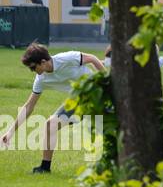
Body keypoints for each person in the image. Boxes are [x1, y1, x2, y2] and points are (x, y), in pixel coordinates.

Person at [0, 43, 104, 173]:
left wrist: (107, 80)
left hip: (98, 92)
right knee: (51, 124)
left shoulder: (66, 58)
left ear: (43, 62)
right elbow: (29, 106)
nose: (32, 71)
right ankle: (44, 167)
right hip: (79, 98)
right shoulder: (41, 79)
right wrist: (10, 132)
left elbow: (92, 59)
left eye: (33, 67)